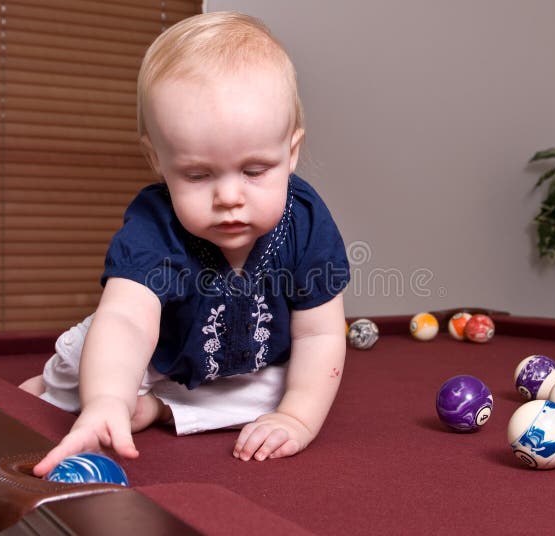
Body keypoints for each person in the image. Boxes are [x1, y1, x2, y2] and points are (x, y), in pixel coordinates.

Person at [20, 11, 350, 476]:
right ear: (160, 161)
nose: (230, 198)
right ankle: (76, 392)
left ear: (290, 153)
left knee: (291, 388)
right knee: (83, 377)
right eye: (198, 175)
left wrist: (297, 417)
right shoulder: (154, 224)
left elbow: (319, 333)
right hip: (151, 355)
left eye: (255, 171)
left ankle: (157, 408)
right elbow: (127, 322)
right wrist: (106, 402)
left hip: (244, 362)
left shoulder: (306, 219)